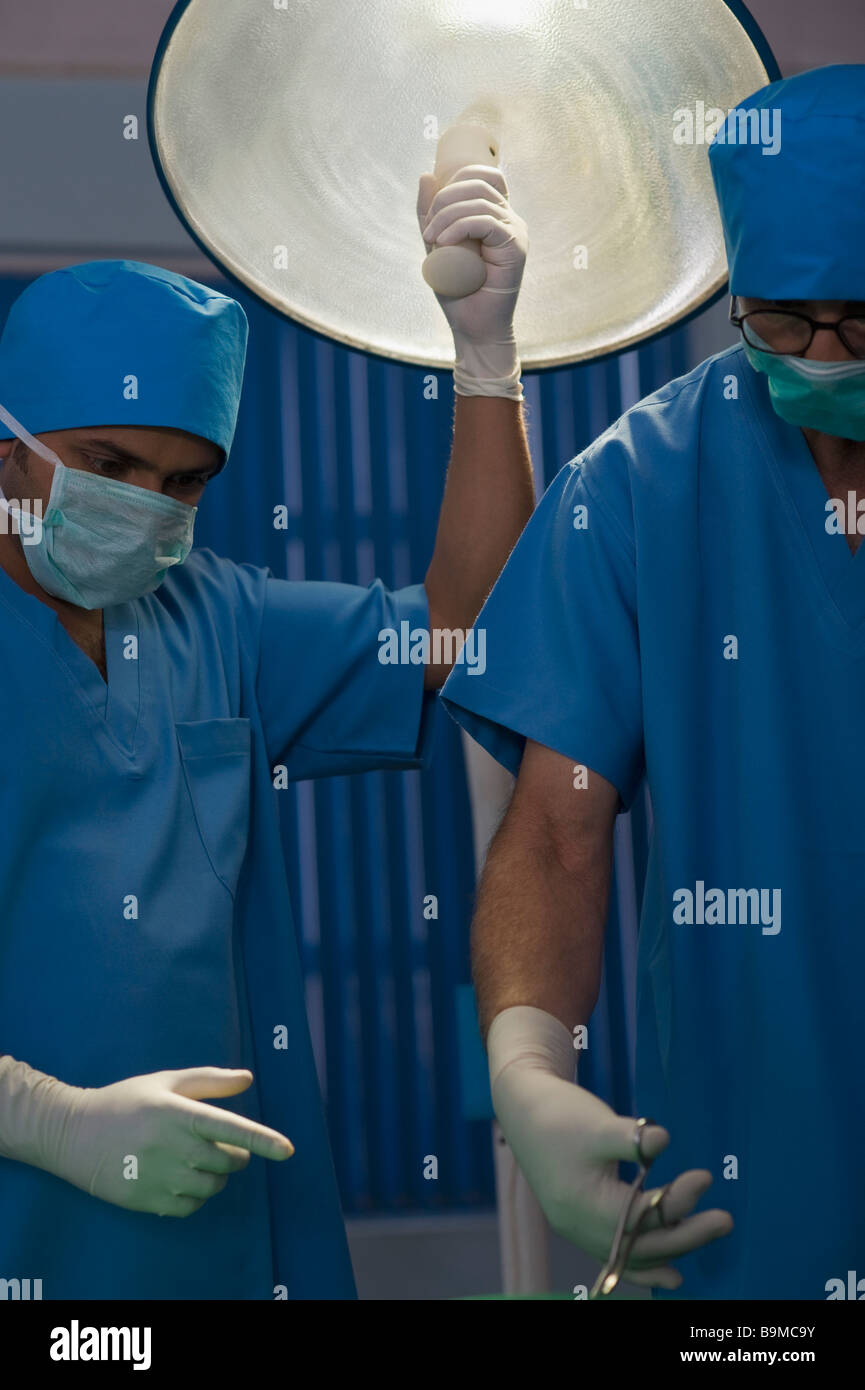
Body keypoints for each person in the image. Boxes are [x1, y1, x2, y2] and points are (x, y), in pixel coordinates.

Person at [0, 161, 532, 1299]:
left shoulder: (215, 616)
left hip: (227, 1222)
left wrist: (486, 365)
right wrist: (47, 1121)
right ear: (10, 444)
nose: (148, 503)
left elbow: (462, 632)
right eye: (108, 466)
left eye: (184, 483)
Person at [440, 63, 865, 1300]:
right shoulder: (640, 483)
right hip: (756, 1196)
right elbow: (558, 831)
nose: (824, 361)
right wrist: (529, 1069)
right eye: (782, 322)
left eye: (862, 321)